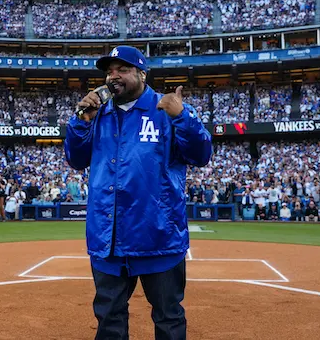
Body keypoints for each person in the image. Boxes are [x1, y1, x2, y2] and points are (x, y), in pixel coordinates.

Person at [64, 45, 212, 340]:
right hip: (108, 239)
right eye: (109, 71)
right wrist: (81, 122)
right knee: (109, 319)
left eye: (123, 69)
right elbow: (76, 159)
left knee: (168, 318)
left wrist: (183, 117)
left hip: (158, 237)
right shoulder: (97, 114)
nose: (113, 76)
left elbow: (201, 155)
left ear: (142, 74)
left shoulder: (167, 108)